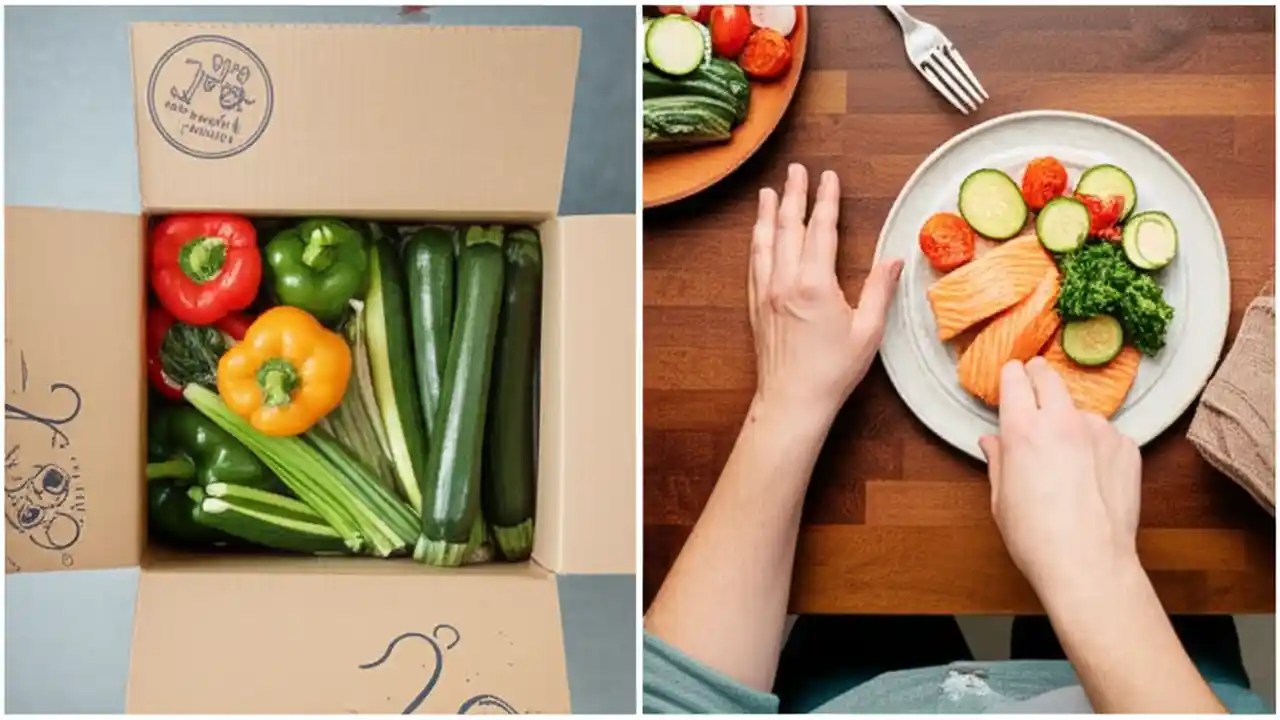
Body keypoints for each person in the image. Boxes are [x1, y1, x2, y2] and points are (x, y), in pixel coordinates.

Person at [643, 164, 1268, 714]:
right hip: (1175, 674)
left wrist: (787, 400)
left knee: (868, 618)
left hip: (865, 691)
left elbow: (668, 703)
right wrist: (1094, 576)